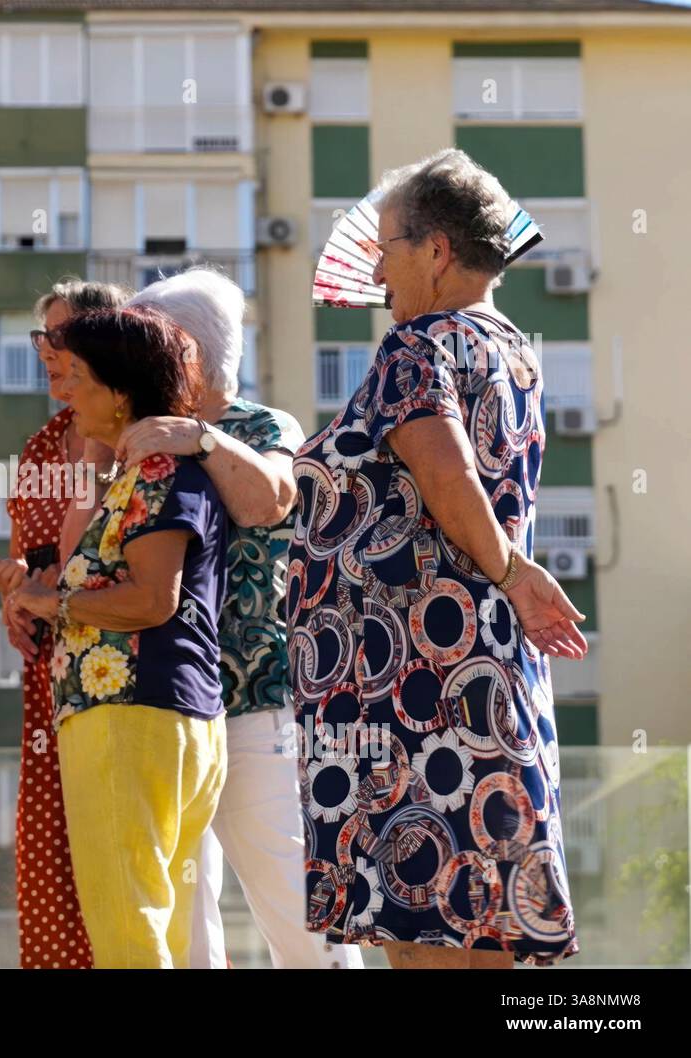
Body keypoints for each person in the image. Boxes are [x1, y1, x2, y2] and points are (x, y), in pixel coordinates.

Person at [288, 148, 586, 968]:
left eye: (387, 248)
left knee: (425, 930)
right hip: (479, 675)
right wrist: (509, 576)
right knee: (479, 916)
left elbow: (444, 467)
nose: (378, 271)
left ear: (437, 251)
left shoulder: (415, 348)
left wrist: (514, 573)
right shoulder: (516, 353)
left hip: (411, 690)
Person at [121, 267, 362, 969]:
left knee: (298, 907)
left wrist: (199, 439)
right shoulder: (134, 436)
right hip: (167, 704)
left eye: (149, 344)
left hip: (258, 703)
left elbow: (268, 501)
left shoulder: (262, 426)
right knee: (185, 923)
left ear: (188, 350)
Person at [7, 306, 228, 968]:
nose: (65, 389)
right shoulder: (144, 472)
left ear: (121, 390)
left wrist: (55, 601)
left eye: (77, 374)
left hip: (129, 717)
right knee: (157, 930)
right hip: (166, 716)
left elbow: (151, 600)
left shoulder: (157, 471)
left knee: (128, 931)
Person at [0, 277, 129, 969]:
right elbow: (31, 555)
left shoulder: (142, 436)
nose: (46, 351)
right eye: (41, 336)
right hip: (48, 682)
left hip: (126, 678)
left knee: (125, 868)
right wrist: (17, 592)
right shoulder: (41, 447)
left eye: (63, 337)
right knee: (53, 859)